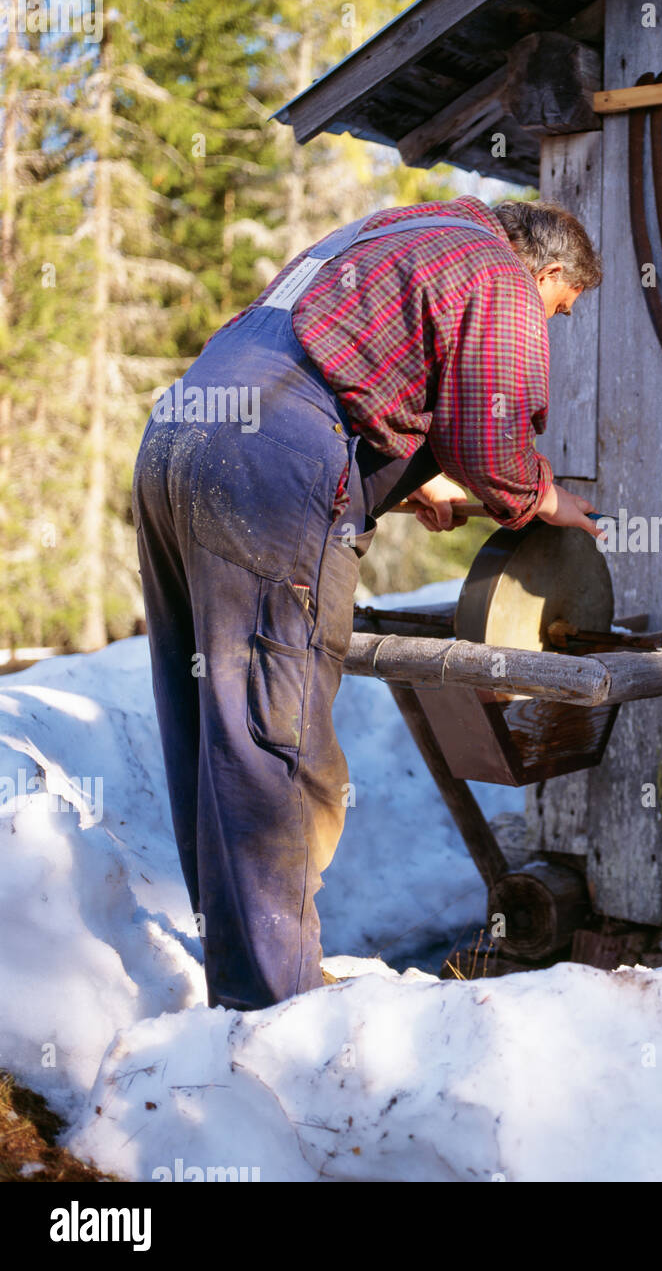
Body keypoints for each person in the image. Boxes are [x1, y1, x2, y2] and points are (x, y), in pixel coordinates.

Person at [132, 195, 602, 1011]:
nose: (549, 319)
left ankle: (239, 973)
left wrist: (406, 481)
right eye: (560, 308)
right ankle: (276, 1006)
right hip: (267, 465)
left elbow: (347, 375)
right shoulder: (498, 273)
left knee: (208, 712)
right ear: (551, 270)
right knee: (274, 731)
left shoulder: (388, 233)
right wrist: (542, 498)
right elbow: (493, 438)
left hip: (180, 437)